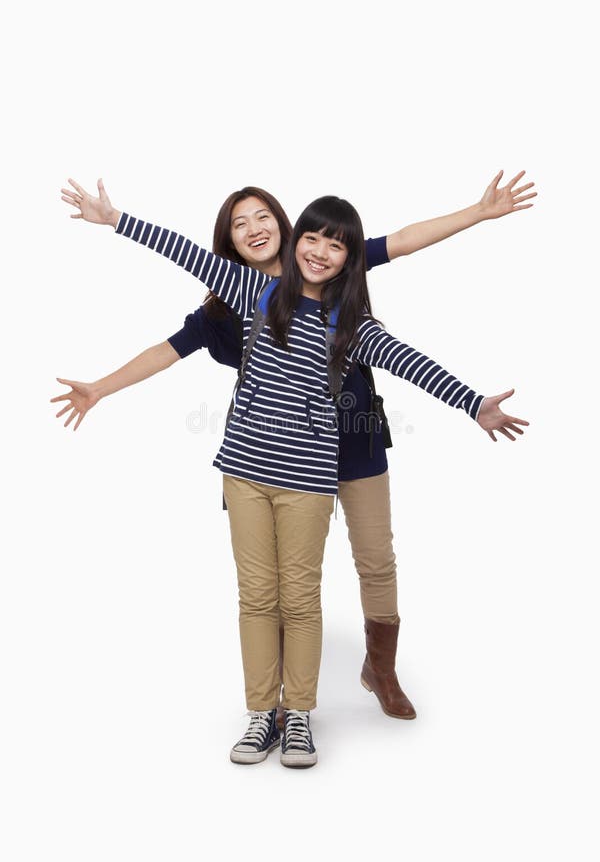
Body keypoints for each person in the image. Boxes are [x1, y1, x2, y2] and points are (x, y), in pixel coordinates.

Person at [56, 183, 528, 767]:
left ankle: (301, 713)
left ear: (344, 255)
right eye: (312, 239)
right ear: (293, 241)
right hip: (245, 469)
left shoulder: (352, 324)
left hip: (315, 469)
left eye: (334, 244)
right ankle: (262, 714)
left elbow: (412, 360)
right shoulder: (252, 288)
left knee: (304, 595)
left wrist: (473, 402)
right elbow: (183, 254)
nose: (320, 250)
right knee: (256, 596)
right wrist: (117, 220)